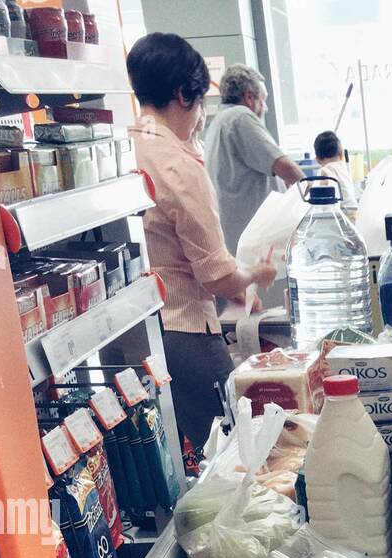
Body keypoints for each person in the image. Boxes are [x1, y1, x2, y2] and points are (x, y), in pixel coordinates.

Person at [127, 35, 278, 454]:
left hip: (137, 334)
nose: (201, 117)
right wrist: (255, 274)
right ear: (183, 93)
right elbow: (215, 275)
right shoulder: (177, 162)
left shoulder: (129, 145)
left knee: (176, 457)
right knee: (235, 449)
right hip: (185, 331)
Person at [205, 65, 304, 255]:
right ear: (249, 97)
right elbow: (286, 168)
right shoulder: (240, 118)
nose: (265, 108)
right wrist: (315, 199)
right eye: (263, 100)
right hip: (256, 245)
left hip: (237, 240)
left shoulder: (219, 122)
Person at [313, 129, 359, 216]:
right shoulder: (343, 168)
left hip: (344, 218)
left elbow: (326, 205)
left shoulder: (325, 171)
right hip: (355, 215)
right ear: (341, 154)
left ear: (317, 160)